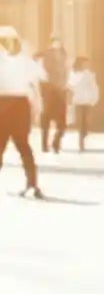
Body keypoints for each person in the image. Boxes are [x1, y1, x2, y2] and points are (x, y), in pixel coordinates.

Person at [0, 37, 45, 199]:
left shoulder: (12, 61)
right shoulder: (26, 63)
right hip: (16, 104)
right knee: (21, 145)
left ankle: (32, 183)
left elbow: (37, 83)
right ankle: (32, 183)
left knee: (17, 145)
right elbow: (39, 81)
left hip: (9, 103)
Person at [37, 37, 69, 153]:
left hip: (60, 91)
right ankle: (45, 145)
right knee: (46, 120)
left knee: (62, 123)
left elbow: (66, 74)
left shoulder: (64, 58)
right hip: (49, 91)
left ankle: (55, 142)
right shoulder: (45, 58)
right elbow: (40, 74)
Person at [68, 57, 98, 152]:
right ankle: (81, 142)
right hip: (78, 100)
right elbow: (70, 85)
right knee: (80, 121)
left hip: (87, 100)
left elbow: (94, 87)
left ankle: (84, 134)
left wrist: (94, 98)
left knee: (86, 122)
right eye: (84, 63)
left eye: (87, 64)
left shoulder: (90, 75)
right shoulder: (73, 74)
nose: (86, 65)